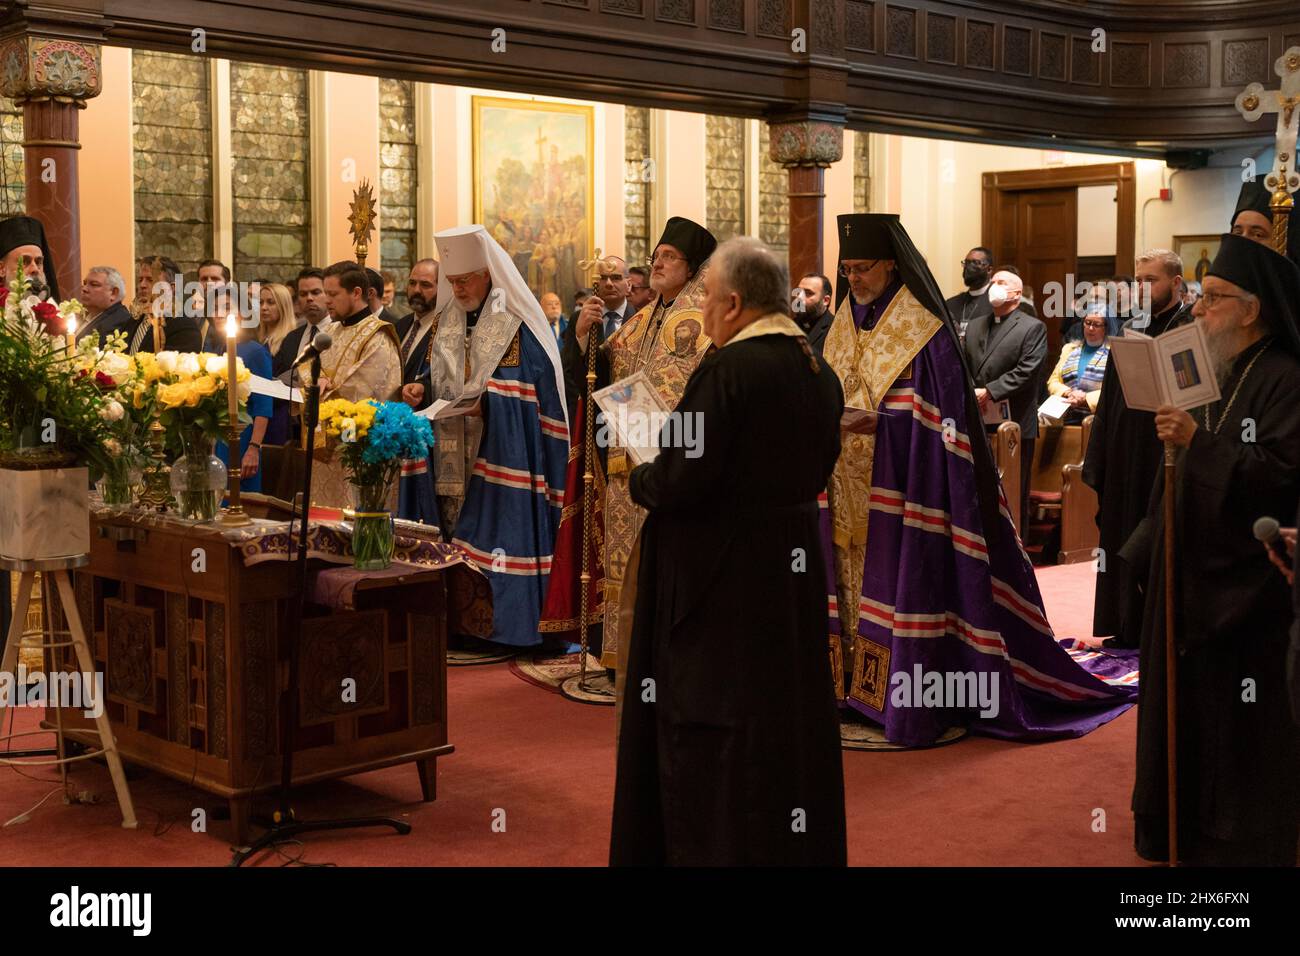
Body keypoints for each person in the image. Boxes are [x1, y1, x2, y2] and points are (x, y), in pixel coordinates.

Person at [820, 213, 1133, 746]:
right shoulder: (841, 324)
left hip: (909, 492)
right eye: (846, 269)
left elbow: (948, 427)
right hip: (846, 488)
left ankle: (906, 703)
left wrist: (879, 424)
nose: (853, 279)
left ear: (892, 265)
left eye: (863, 268)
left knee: (901, 583)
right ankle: (850, 690)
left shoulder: (926, 330)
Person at [610, 236, 846, 866]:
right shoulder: (816, 367)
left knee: (714, 722)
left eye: (709, 298)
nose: (705, 312)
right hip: (788, 571)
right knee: (781, 715)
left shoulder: (728, 369)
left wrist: (640, 478)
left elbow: (681, 478)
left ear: (735, 302)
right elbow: (819, 463)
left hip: (717, 577)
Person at [1131, 233, 1300, 866]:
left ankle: (1238, 841)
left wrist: (1198, 445)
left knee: (1236, 727)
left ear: (1253, 309)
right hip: (1190, 574)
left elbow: (1281, 474)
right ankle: (1181, 831)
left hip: (1247, 591)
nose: (1199, 311)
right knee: (1185, 720)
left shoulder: (1286, 377)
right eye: (1201, 297)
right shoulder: (1219, 370)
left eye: (1216, 299)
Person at [545, 217, 716, 671]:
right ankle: (624, 655)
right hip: (625, 470)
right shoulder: (640, 321)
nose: (657, 264)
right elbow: (596, 375)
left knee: (667, 565)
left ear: (692, 266)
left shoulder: (709, 323)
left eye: (668, 258)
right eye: (655, 257)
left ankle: (666, 659)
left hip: (674, 467)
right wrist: (582, 336)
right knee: (623, 563)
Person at [407, 226, 569, 649]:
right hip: (447, 449)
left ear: (488, 275)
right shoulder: (445, 323)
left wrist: (491, 401)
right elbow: (438, 375)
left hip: (498, 454)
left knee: (489, 532)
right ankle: (453, 624)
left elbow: (539, 393)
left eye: (465, 280)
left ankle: (501, 628)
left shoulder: (518, 326)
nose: (457, 289)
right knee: (446, 527)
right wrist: (420, 388)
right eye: (452, 282)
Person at [1083, 251, 1190, 650]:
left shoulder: (1190, 329)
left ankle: (1156, 629)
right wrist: (1101, 457)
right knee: (1119, 531)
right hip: (1125, 452)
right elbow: (1110, 397)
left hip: (1163, 452)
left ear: (1176, 283)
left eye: (1151, 280)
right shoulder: (1129, 329)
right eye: (1138, 280)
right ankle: (1123, 623)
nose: (1142, 288)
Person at [307, 260, 402, 508]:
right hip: (323, 446)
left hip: (356, 449)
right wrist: (315, 381)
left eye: (333, 294)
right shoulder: (332, 332)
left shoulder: (378, 336)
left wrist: (323, 387)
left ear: (356, 293)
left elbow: (362, 392)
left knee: (352, 517)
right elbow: (308, 371)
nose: (326, 301)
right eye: (325, 293)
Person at [963, 268, 1048, 531]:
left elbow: (1028, 370)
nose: (994, 287)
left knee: (1013, 488)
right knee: (979, 488)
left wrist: (989, 391)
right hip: (978, 418)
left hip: (1014, 421)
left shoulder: (1032, 327)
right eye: (993, 282)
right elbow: (963, 365)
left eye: (1002, 282)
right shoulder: (977, 324)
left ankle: (1016, 545)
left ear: (1017, 293)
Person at [394, 258, 441, 526]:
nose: (416, 290)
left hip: (427, 433)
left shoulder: (446, 327)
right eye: (412, 283)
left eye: (426, 285)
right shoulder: (400, 326)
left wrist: (426, 387)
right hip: (395, 426)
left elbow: (450, 376)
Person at [214, 302, 274, 494]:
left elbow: (263, 404)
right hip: (220, 435)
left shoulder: (255, 351)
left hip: (244, 434)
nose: (219, 314)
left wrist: (254, 448)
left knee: (243, 496)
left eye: (226, 308)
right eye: (215, 308)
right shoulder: (217, 349)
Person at [1044, 307, 1109, 423]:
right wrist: (1068, 392)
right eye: (1087, 323)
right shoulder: (1069, 349)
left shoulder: (1112, 353)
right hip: (1064, 417)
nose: (1090, 328)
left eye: (1097, 324)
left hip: (1098, 420)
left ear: (1106, 328)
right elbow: (1052, 381)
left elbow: (1113, 389)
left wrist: (1085, 398)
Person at [126, 256, 202, 353]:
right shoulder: (132, 322)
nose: (142, 285)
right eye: (140, 280)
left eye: (150, 280)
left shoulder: (184, 327)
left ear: (172, 288)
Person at [254, 281, 299, 446]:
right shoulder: (260, 339)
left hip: (279, 415)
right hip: (260, 411)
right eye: (261, 302)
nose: (264, 307)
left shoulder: (291, 340)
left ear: (283, 305)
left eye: (271, 302)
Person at [272, 268, 329, 377]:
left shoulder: (340, 333)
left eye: (315, 292)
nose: (309, 298)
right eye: (303, 294)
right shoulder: (291, 338)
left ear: (328, 294)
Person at [0, 214, 59, 298]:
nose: (35, 269)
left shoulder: (57, 311)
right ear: (1, 269)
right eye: (24, 262)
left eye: (38, 262)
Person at [945, 246, 994, 341]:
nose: (968, 267)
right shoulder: (951, 304)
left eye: (976, 263)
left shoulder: (997, 304)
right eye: (966, 263)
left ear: (989, 270)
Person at [78, 266, 134, 345]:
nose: (84, 289)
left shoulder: (117, 322)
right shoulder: (85, 316)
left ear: (113, 293)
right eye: (85, 283)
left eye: (94, 284)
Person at [794, 272, 834, 353]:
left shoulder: (835, 328)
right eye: (798, 292)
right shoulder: (791, 325)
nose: (799, 298)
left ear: (825, 300)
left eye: (808, 293)